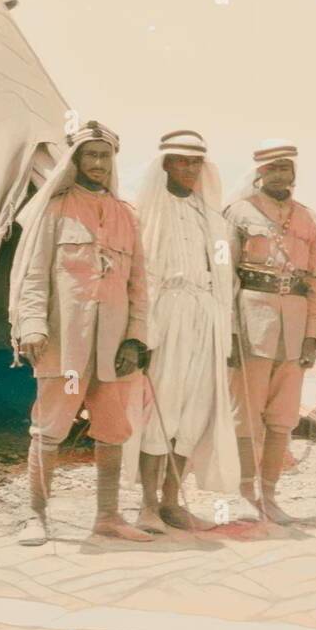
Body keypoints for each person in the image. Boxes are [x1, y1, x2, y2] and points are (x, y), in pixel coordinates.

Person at [9, 120, 151, 545]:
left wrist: (135, 338)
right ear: (75, 160)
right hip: (63, 342)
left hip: (114, 349)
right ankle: (36, 516)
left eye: (105, 156)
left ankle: (107, 516)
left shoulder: (128, 216)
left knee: (112, 428)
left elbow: (140, 285)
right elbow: (32, 277)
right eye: (90, 155)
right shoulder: (54, 210)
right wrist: (31, 325)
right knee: (49, 428)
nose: (98, 163)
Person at [129, 130, 239, 532]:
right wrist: (144, 332)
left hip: (206, 316)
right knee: (161, 408)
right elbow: (141, 276)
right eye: (181, 161)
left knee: (193, 412)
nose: (189, 168)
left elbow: (224, 279)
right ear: (166, 165)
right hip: (166, 313)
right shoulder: (145, 213)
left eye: (195, 162)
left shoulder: (212, 219)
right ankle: (146, 503)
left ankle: (173, 501)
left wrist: (223, 332)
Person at [223, 141, 316, 523]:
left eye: (287, 167)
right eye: (274, 168)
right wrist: (231, 330)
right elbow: (226, 275)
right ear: (260, 172)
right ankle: (245, 492)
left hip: (295, 325)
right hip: (252, 321)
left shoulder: (310, 219)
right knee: (246, 413)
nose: (282, 175)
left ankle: (270, 493)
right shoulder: (238, 213)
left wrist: (312, 333)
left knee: (283, 415)